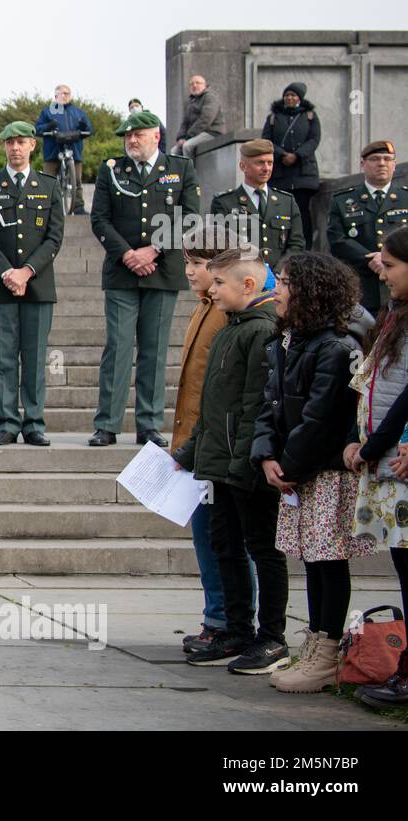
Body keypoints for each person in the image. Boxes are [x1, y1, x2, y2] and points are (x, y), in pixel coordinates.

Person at [253, 252, 373, 693]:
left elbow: (321, 418)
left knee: (328, 561)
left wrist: (289, 464)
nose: (276, 290)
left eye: (283, 282)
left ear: (310, 291)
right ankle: (317, 647)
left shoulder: (337, 346)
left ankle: (326, 654)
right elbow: (270, 404)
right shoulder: (288, 340)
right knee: (311, 559)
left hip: (322, 472)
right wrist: (266, 454)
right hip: (295, 470)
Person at [176, 248, 289, 675]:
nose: (212, 288)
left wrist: (244, 463)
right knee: (225, 545)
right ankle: (236, 629)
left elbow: (254, 408)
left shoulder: (260, 331)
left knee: (261, 548)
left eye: (219, 283)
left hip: (243, 466)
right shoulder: (230, 327)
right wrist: (191, 452)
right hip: (218, 462)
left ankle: (272, 637)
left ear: (248, 285)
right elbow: (214, 403)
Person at [89, 110, 199, 447]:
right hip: (123, 272)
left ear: (156, 136)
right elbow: (100, 219)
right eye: (127, 135)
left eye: (138, 134)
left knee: (154, 349)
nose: (131, 140)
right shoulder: (112, 170)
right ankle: (107, 423)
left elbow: (190, 217)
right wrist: (128, 255)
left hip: (162, 271)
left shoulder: (180, 168)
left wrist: (153, 250)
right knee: (118, 348)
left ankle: (149, 424)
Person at [0, 121, 65, 446]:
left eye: (21, 142)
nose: (15, 148)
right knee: (4, 358)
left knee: (36, 357)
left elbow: (54, 238)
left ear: (32, 146)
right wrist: (7, 273)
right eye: (9, 142)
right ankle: (8, 423)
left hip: (38, 286)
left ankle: (34, 423)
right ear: (4, 147)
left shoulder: (49, 186)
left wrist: (26, 272)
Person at [345, 226, 408, 708]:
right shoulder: (397, 315)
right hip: (388, 457)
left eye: (389, 266)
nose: (380, 274)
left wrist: (374, 447)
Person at [171, 236, 232, 654]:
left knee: (220, 540)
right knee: (206, 537)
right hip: (195, 441)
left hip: (213, 446)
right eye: (188, 262)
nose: (190, 271)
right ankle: (219, 618)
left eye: (199, 263)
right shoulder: (204, 306)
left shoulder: (228, 313)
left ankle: (225, 622)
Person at [327, 140, 404, 315]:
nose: (382, 163)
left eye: (387, 159)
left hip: (401, 287)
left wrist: (386, 259)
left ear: (394, 165)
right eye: (375, 159)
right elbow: (337, 240)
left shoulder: (405, 198)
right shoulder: (343, 200)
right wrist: (372, 259)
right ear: (363, 164)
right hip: (362, 287)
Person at [210, 139, 305, 268]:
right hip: (241, 279)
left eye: (270, 163)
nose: (266, 168)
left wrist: (277, 274)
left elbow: (296, 244)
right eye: (260, 163)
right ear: (243, 166)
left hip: (278, 281)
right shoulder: (224, 203)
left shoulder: (287, 201)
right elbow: (220, 247)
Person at [261, 83, 321, 248]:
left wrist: (297, 155)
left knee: (302, 212)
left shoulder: (310, 116)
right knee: (280, 212)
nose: (289, 98)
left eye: (293, 95)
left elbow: (314, 139)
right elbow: (267, 141)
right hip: (281, 174)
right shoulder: (273, 118)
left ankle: (304, 247)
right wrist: (282, 155)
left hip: (303, 174)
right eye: (287, 95)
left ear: (300, 98)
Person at [35, 85, 93, 216]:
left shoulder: (78, 112)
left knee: (77, 181)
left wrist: (85, 126)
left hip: (74, 152)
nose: (64, 96)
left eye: (67, 93)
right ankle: (46, 210)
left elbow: (89, 128)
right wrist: (48, 127)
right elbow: (37, 129)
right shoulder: (47, 112)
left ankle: (78, 208)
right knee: (47, 181)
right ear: (55, 96)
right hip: (52, 151)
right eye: (61, 94)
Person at [173, 75, 225, 160]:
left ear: (204, 85)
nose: (194, 85)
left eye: (198, 83)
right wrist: (181, 137)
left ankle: (190, 172)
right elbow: (185, 123)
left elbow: (205, 119)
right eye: (192, 84)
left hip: (211, 132)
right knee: (174, 151)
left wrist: (188, 137)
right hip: (195, 135)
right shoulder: (190, 102)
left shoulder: (210, 97)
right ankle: (178, 173)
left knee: (187, 146)